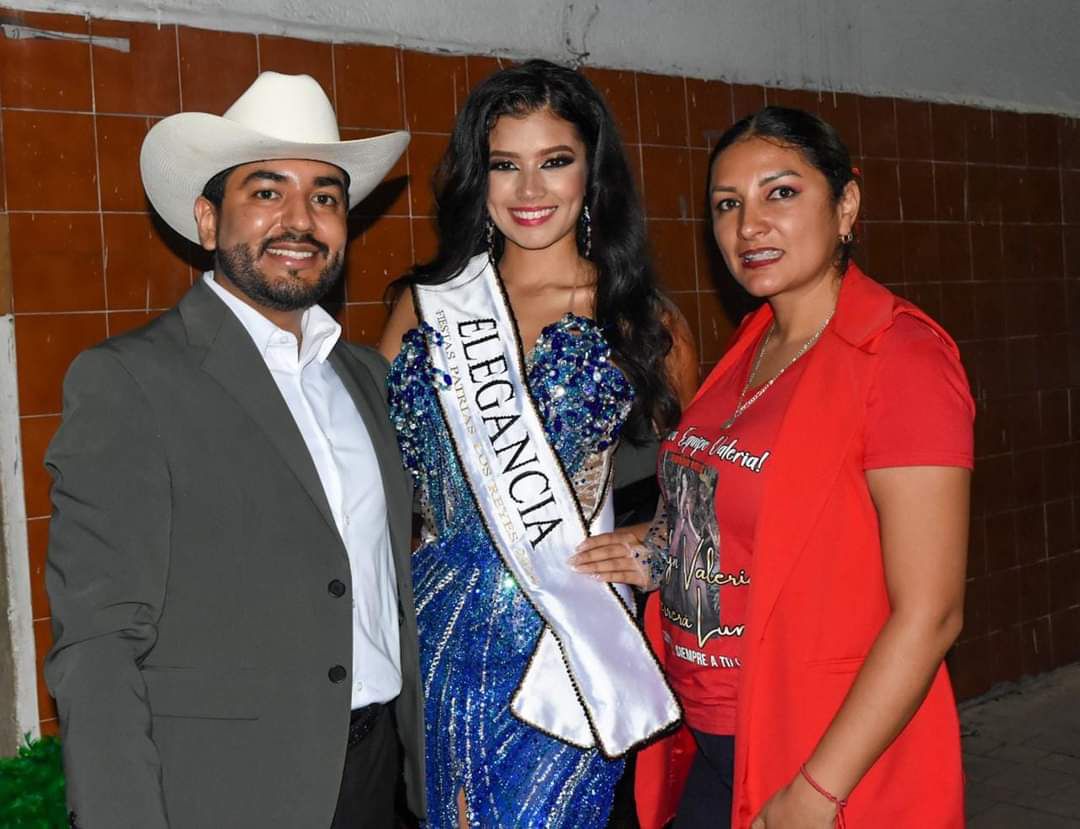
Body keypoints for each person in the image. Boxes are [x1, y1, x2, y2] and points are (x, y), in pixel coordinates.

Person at [44, 72, 424, 829]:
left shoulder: (368, 376)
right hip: (227, 792)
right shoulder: (130, 380)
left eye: (324, 196)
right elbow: (98, 645)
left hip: (377, 775)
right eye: (267, 191)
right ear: (208, 221)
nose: (300, 219)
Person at [575, 106, 973, 828]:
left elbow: (932, 612)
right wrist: (657, 545)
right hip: (711, 735)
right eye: (728, 205)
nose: (749, 225)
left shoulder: (901, 359)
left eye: (780, 193)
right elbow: (751, 515)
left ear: (846, 203)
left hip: (817, 748)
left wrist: (816, 793)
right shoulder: (752, 343)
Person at [377, 60, 698, 828]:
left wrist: (659, 547)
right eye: (504, 165)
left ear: (593, 173)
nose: (529, 191)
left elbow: (709, 485)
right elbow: (376, 478)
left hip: (565, 649)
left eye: (554, 162)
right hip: (436, 636)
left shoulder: (639, 320)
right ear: (476, 178)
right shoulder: (424, 308)